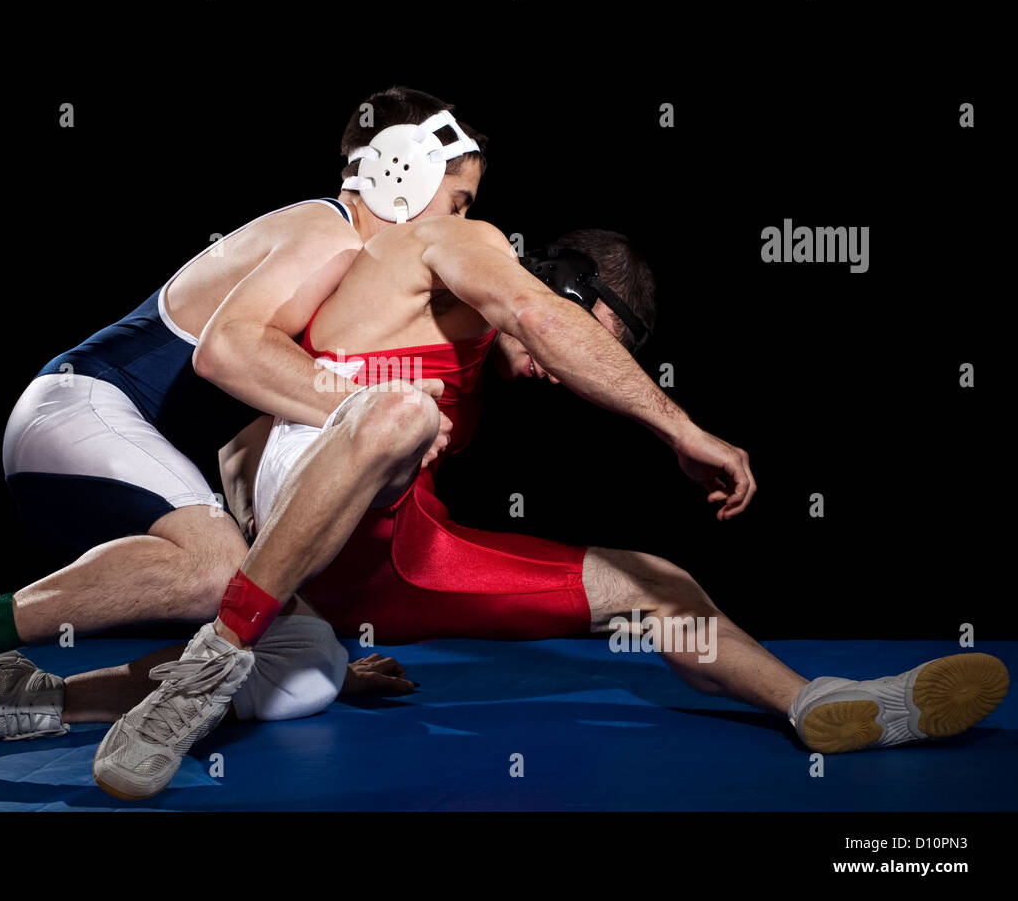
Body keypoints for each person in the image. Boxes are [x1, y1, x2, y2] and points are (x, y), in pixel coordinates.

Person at [107, 220, 1009, 799]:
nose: (551, 371)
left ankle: (819, 705)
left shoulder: (455, 359)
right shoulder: (456, 249)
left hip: (366, 571)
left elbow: (243, 451)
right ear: (560, 292)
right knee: (397, 430)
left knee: (657, 587)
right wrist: (679, 429)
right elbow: (539, 323)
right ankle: (188, 661)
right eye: (582, 336)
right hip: (343, 536)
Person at [0, 87, 483, 773]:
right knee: (215, 574)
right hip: (82, 409)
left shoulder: (345, 289)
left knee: (303, 667)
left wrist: (306, 626)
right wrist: (370, 403)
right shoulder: (328, 231)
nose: (460, 227)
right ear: (404, 172)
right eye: (460, 205)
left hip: (132, 456)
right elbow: (227, 352)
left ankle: (16, 701)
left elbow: (241, 464)